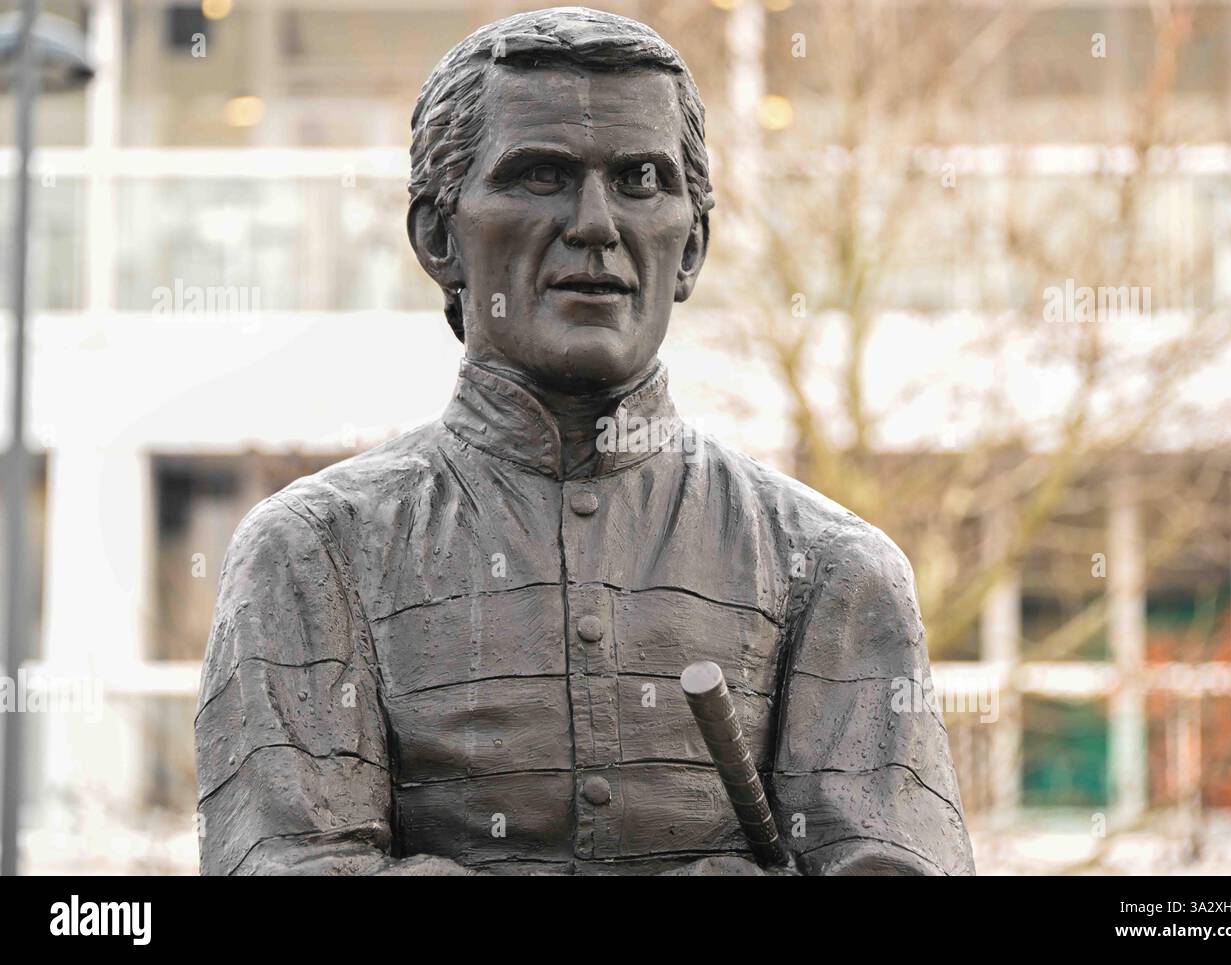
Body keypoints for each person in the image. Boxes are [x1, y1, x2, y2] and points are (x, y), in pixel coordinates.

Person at [195, 6, 975, 876]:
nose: (598, 222)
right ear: (437, 237)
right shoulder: (312, 554)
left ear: (693, 249)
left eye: (641, 179)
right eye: (541, 176)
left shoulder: (832, 568)